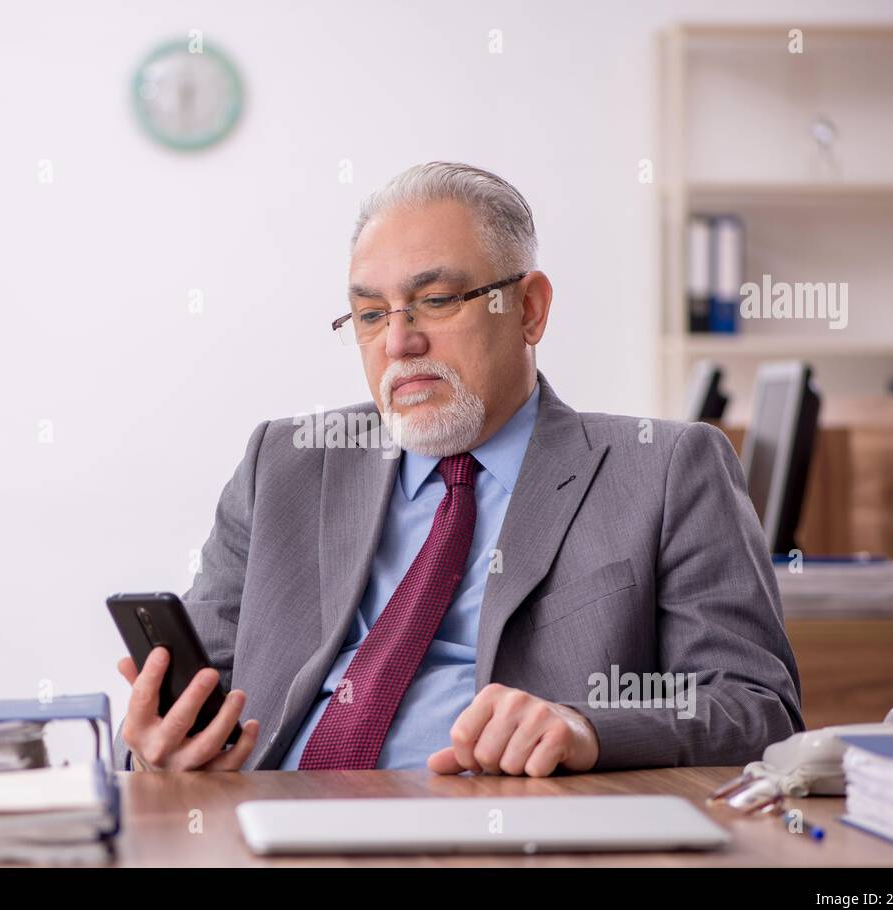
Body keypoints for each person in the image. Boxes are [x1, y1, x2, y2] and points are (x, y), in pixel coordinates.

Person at [114, 161, 802, 776]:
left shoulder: (666, 468)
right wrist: (156, 744)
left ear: (528, 309)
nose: (400, 341)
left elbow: (755, 706)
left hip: (496, 839)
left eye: (436, 301)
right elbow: (191, 697)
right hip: (264, 826)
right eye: (370, 314)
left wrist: (589, 727)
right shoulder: (285, 464)